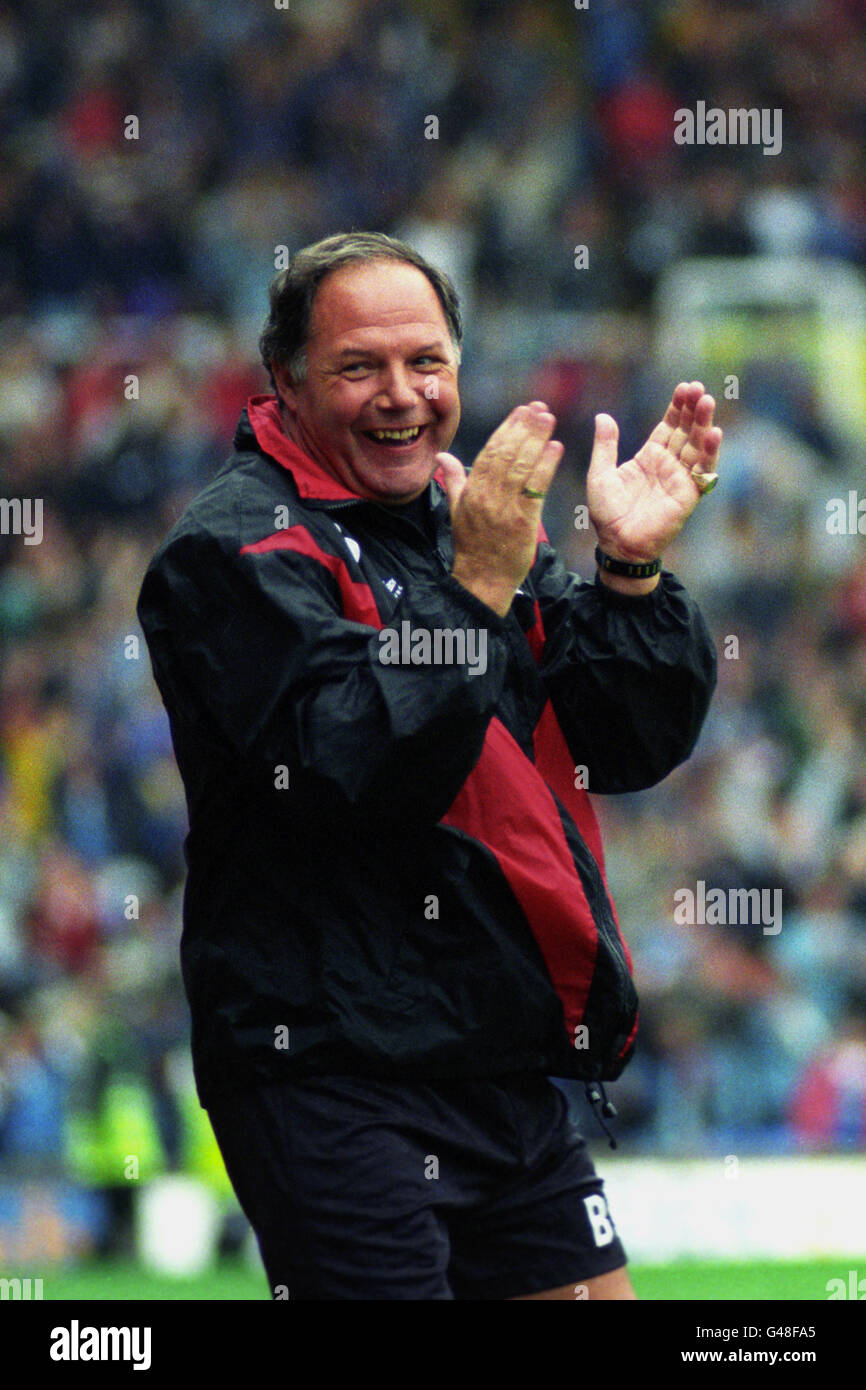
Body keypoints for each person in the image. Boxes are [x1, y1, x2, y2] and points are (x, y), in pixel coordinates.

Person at [137, 231, 721, 1300]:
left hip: (489, 1056)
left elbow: (620, 743)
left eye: (426, 362)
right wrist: (476, 587)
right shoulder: (234, 550)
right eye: (359, 367)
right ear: (287, 380)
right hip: (330, 1067)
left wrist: (630, 572)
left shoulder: (455, 523)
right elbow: (346, 768)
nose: (399, 395)